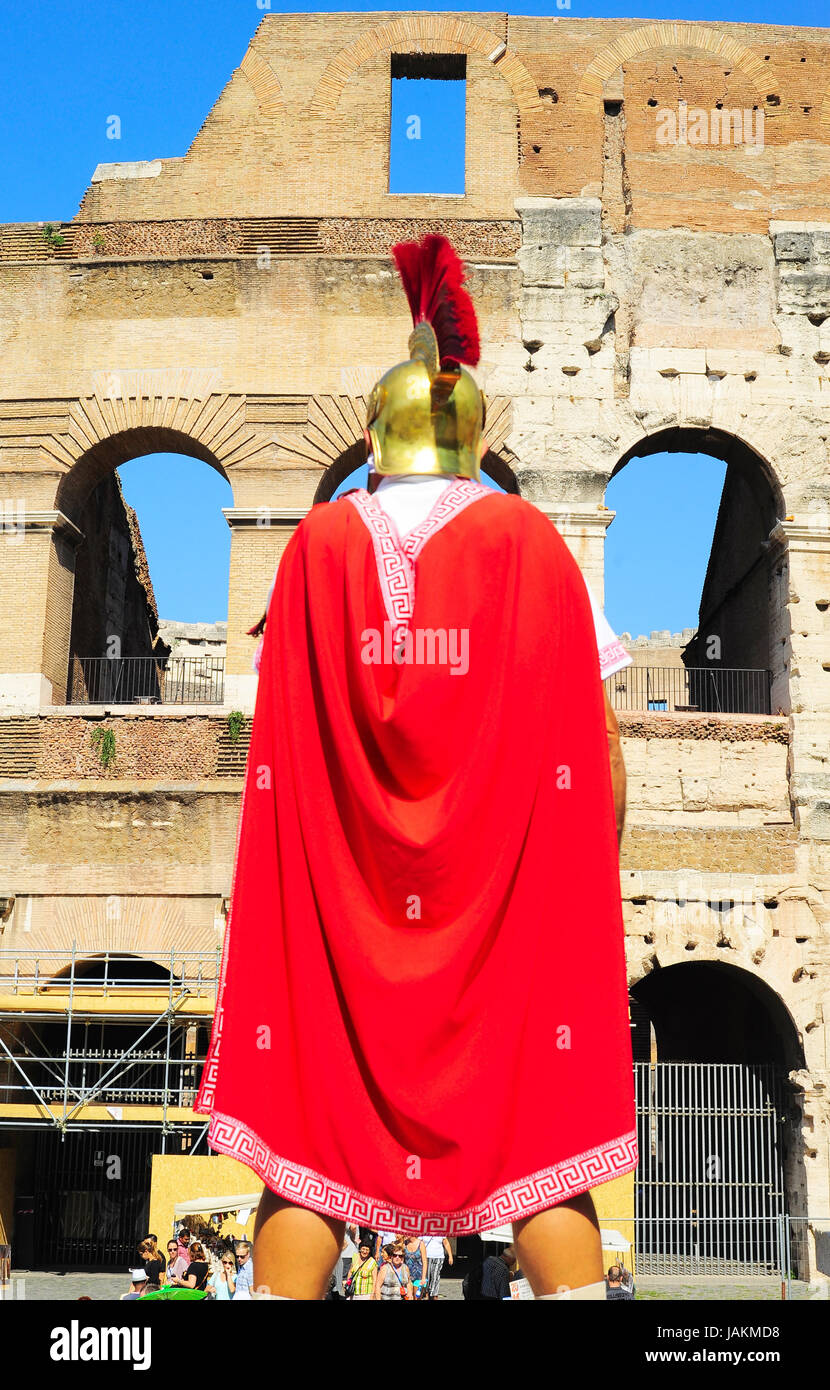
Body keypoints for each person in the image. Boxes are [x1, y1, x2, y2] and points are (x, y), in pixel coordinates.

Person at [196, 233, 636, 1301]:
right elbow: (597, 746)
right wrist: (582, 873)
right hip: (506, 913)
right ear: (479, 445)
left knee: (306, 1157)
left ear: (366, 438)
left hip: (339, 918)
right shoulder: (530, 543)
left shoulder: (313, 551)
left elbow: (280, 745)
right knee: (542, 1167)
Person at [422, 1233, 452, 1300]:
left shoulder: (440, 1231)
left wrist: (450, 1255)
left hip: (439, 1256)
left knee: (435, 1276)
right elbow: (419, 1243)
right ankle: (426, 1293)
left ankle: (434, 1294)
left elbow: (446, 1243)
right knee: (427, 1277)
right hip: (426, 1257)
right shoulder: (423, 1231)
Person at [402, 1233, 427, 1299]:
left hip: (419, 1275)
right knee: (409, 1297)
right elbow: (402, 1261)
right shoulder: (404, 1244)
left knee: (417, 1297)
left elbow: (424, 1262)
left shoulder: (421, 1244)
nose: (405, 1234)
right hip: (408, 1276)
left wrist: (423, 1277)